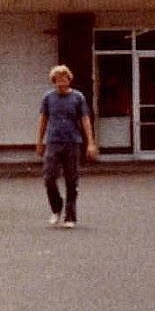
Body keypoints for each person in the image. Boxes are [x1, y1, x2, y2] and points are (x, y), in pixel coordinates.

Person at [36, 64, 99, 228]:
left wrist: (90, 143)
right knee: (49, 177)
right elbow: (43, 120)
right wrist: (39, 142)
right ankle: (56, 207)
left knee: (72, 180)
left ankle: (70, 216)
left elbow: (85, 120)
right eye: (57, 81)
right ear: (53, 81)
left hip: (72, 142)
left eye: (64, 80)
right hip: (53, 142)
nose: (61, 84)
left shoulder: (78, 97)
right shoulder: (48, 98)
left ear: (69, 80)